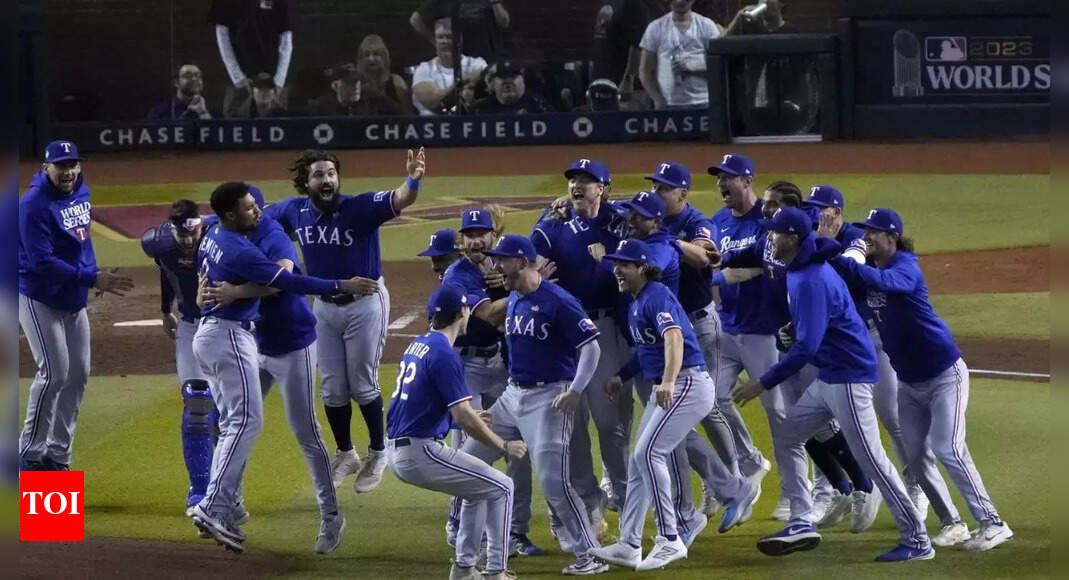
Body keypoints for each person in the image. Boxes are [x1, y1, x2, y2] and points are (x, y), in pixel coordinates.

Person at [732, 207, 933, 563]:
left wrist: (761, 383)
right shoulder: (801, 269)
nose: (770, 239)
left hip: (850, 378)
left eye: (775, 233)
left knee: (873, 460)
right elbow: (829, 317)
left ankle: (917, 540)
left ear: (792, 238)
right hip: (829, 376)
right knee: (788, 435)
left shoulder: (809, 277)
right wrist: (801, 328)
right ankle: (800, 520)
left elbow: (807, 347)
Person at [187, 182, 372, 552]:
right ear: (230, 214)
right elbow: (206, 265)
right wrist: (201, 292)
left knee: (306, 433)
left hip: (290, 343)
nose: (258, 210)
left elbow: (285, 283)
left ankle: (331, 516)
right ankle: (227, 507)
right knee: (234, 424)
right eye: (250, 206)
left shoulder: (273, 235)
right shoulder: (221, 230)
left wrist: (235, 293)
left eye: (257, 205)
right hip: (247, 341)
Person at [831, 208, 1012, 552]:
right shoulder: (871, 271)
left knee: (948, 448)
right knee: (916, 458)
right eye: (865, 232)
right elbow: (845, 285)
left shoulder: (905, 269)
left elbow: (884, 284)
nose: (867, 237)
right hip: (908, 384)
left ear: (892, 237)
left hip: (945, 376)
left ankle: (992, 522)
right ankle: (952, 523)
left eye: (874, 232)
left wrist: (850, 260)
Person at [263, 148, 425, 495]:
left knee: (362, 382)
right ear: (306, 182)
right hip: (323, 304)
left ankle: (378, 452)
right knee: (333, 387)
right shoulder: (294, 211)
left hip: (365, 303)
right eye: (319, 175)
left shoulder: (358, 207)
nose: (327, 180)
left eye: (331, 174)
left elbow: (401, 198)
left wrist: (413, 179)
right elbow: (258, 219)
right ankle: (346, 454)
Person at [807, 185, 960, 534]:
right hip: (838, 347)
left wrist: (840, 251)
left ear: (835, 211)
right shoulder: (817, 240)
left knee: (892, 417)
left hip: (873, 343)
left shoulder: (857, 244)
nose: (815, 215)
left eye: (820, 209)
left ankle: (916, 486)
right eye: (811, 208)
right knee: (826, 419)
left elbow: (864, 279)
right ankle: (834, 489)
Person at [459, 235, 608, 576]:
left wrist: (575, 390)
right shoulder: (514, 298)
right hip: (513, 396)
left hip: (549, 399)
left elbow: (591, 347)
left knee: (554, 483)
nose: (496, 266)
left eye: (503, 259)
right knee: (469, 462)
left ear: (523, 261)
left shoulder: (559, 300)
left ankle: (590, 553)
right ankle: (479, 547)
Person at [593, 238, 721, 570]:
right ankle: (629, 544)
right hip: (675, 382)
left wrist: (667, 381)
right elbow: (649, 350)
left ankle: (669, 538)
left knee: (648, 453)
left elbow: (674, 337)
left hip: (687, 383)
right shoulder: (638, 301)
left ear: (642, 268)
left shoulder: (657, 296)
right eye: (615, 263)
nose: (616, 270)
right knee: (639, 463)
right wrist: (621, 376)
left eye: (624, 265)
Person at [386, 284, 526, 580]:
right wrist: (503, 445)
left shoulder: (418, 344)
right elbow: (463, 416)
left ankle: (464, 568)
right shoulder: (444, 353)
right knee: (502, 486)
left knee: (476, 489)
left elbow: (412, 406)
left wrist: (468, 418)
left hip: (400, 447)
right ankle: (495, 571)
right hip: (419, 452)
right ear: (463, 313)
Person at [18, 140, 134, 471]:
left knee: (78, 375)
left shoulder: (81, 192)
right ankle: (30, 451)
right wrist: (90, 279)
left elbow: (83, 241)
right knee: (54, 373)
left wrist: (93, 276)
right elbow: (42, 262)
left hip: (73, 297)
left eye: (72, 164)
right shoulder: (33, 204)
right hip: (39, 296)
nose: (68, 171)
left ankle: (58, 454)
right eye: (61, 165)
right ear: (45, 168)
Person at [531, 159, 629, 535]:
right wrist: (534, 273)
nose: (577, 186)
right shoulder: (552, 225)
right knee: (572, 424)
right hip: (566, 330)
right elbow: (532, 259)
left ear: (603, 188)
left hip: (605, 328)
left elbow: (647, 214)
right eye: (573, 179)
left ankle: (621, 490)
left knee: (609, 421)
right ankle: (590, 501)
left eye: (587, 181)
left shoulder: (619, 220)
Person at [441, 209, 542, 556]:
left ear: (494, 236)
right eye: (469, 235)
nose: (476, 241)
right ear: (462, 240)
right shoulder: (457, 275)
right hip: (465, 367)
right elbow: (486, 314)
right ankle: (457, 522)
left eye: (482, 233)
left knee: (517, 449)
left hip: (502, 364)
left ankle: (516, 530)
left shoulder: (501, 267)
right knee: (466, 452)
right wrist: (527, 284)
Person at [706, 153, 779, 510]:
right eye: (719, 178)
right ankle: (750, 460)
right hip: (727, 326)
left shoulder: (766, 221)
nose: (722, 183)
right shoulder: (718, 220)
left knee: (778, 412)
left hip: (763, 329)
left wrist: (727, 273)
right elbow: (714, 267)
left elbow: (764, 267)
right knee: (711, 400)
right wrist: (725, 276)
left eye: (729, 177)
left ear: (748, 181)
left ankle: (809, 490)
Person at [140, 200, 216, 511]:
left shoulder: (222, 237)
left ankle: (225, 486)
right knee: (197, 402)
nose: (187, 243)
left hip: (229, 326)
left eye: (192, 235)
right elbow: (168, 269)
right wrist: (164, 310)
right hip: (189, 325)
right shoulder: (158, 244)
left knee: (228, 414)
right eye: (181, 236)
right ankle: (200, 489)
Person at [209, 0, 294, 118]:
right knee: (234, 129)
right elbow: (222, 37)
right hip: (239, 79)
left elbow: (286, 38)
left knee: (278, 127)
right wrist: (237, 77)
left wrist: (279, 80)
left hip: (273, 77)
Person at [638, 0, 721, 110]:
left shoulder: (707, 26)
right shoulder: (655, 27)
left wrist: (695, 66)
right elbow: (645, 72)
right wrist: (658, 99)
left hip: (704, 102)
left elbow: (720, 66)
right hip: (668, 105)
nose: (679, 1)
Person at [412, 18, 489, 115]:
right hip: (432, 126)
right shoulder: (424, 69)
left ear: (459, 39)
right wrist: (462, 81)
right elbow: (432, 102)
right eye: (440, 37)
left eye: (449, 37)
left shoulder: (477, 63)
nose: (444, 41)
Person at [410, 0, 511, 61]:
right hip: (458, 60)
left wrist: (495, 2)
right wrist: (435, 43)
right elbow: (415, 20)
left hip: (490, 57)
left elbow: (504, 23)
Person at [308, 63, 405, 117]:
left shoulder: (375, 100)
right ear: (335, 85)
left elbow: (403, 117)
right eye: (350, 83)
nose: (356, 87)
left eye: (358, 82)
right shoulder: (320, 107)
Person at [356, 35, 413, 115]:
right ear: (361, 59)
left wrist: (382, 98)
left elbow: (408, 113)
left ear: (384, 57)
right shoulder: (355, 82)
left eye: (376, 54)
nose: (371, 58)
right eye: (367, 55)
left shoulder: (396, 81)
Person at [472, 61, 555, 114]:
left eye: (513, 76)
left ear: (523, 80)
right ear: (493, 83)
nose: (508, 81)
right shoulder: (481, 109)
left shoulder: (538, 105)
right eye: (502, 77)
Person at [148, 64, 213, 120]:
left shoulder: (213, 111)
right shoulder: (159, 112)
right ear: (176, 82)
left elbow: (217, 133)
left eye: (198, 75)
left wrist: (203, 113)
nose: (194, 79)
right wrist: (189, 112)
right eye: (188, 75)